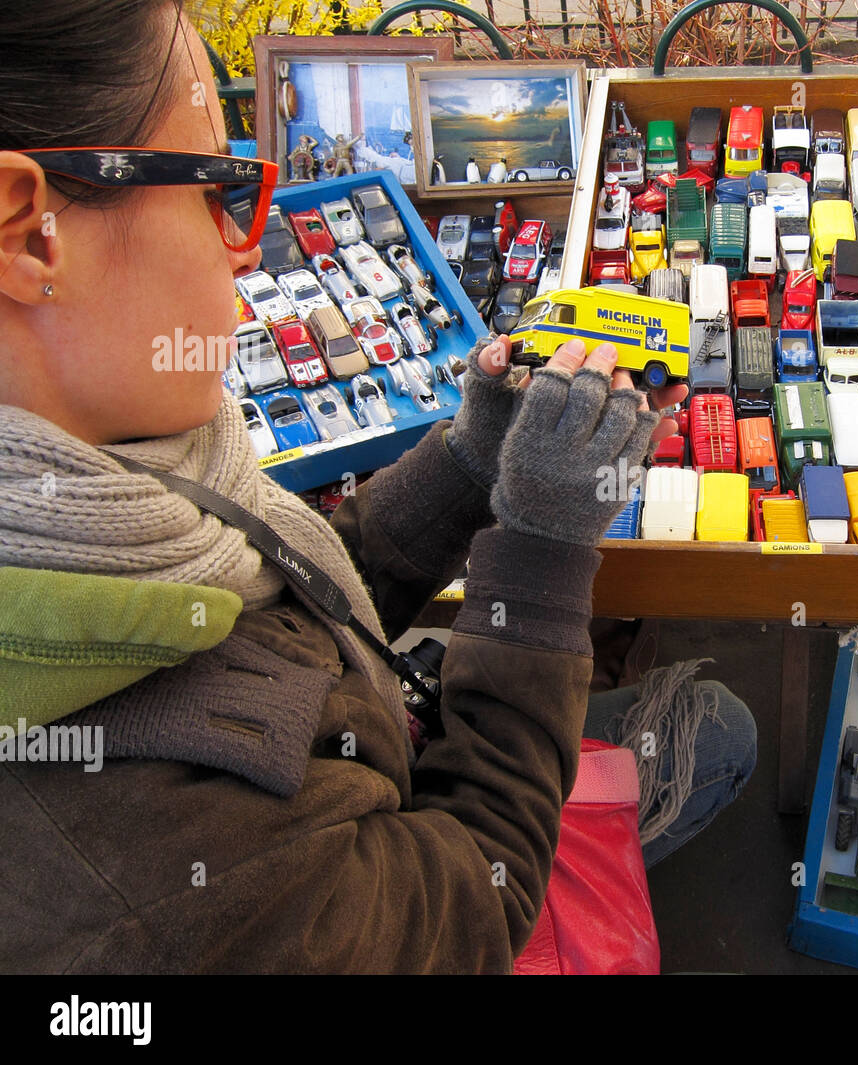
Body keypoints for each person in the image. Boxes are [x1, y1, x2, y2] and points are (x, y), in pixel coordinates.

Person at [0, 0, 754, 973]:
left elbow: (273, 606)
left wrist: (467, 466)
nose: (249, 243)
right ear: (30, 233)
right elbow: (478, 900)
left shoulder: (88, 478)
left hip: (375, 729)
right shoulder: (144, 852)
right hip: (432, 848)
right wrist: (540, 555)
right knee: (721, 736)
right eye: (223, 189)